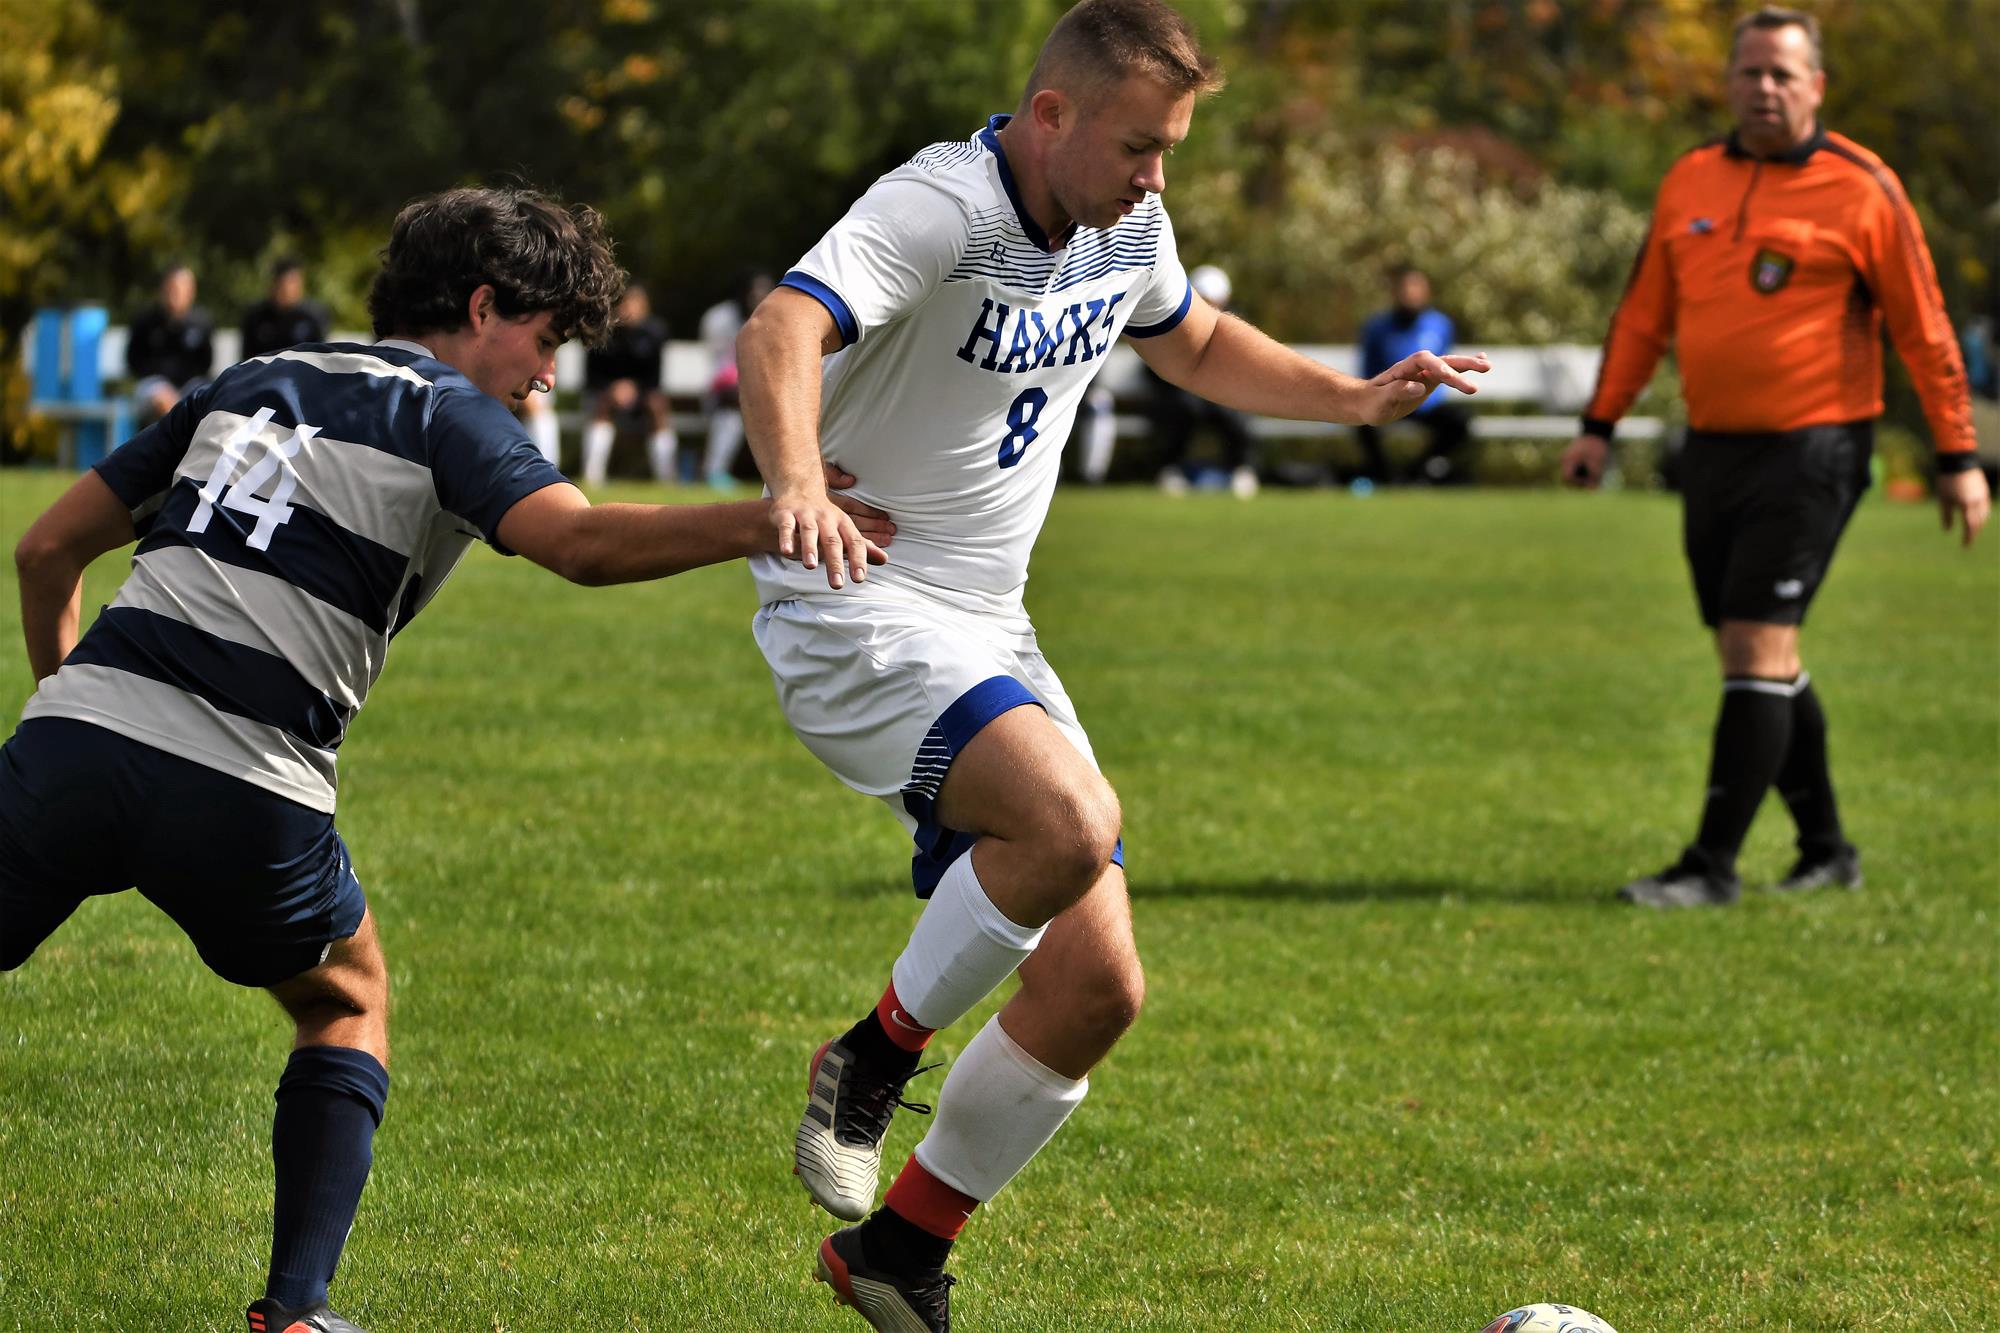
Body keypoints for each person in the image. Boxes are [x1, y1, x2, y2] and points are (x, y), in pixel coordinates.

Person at [2, 185, 890, 1333]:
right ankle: (296, 1313)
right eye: (544, 337)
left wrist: (70, 706)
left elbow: (45, 547)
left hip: (73, 740)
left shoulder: (251, 378)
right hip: (246, 788)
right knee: (346, 1000)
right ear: (481, 305)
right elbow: (572, 542)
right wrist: (768, 514)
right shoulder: (447, 416)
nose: (549, 374)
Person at [734, 1, 1486, 1326]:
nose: (1156, 177)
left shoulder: (1125, 224)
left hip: (986, 624)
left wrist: (1351, 398)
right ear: (1051, 116)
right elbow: (782, 328)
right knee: (1076, 824)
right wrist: (795, 481)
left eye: (1173, 150)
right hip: (857, 595)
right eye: (1140, 146)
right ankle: (868, 1055)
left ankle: (895, 1253)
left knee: (1094, 989)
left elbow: (1189, 339)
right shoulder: (940, 204)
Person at [1560, 6, 1990, 909]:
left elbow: (1926, 329)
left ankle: (1710, 866)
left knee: (1756, 643)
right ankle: (1828, 848)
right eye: (1750, 72)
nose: (1764, 88)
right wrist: (1599, 425)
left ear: (1816, 86)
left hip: (1816, 449)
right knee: (1756, 652)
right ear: (1728, 82)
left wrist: (1957, 453)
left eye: (1783, 74)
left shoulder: (1865, 187)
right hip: (1713, 450)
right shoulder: (1689, 180)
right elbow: (1645, 315)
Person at [1150, 262, 1258, 497]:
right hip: (1182, 395)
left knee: (1234, 411)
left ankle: (1242, 469)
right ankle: (1171, 470)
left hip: (1219, 396)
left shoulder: (1237, 325)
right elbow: (1154, 364)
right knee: (1185, 410)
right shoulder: (1168, 318)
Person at [1355, 265, 1471, 484]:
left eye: (1417, 287)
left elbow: (1445, 364)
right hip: (1390, 398)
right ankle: (1384, 476)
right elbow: (1369, 371)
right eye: (1406, 287)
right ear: (1396, 292)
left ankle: (1417, 472)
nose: (1411, 293)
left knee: (1459, 421)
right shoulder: (1377, 328)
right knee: (1360, 420)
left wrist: (1425, 394)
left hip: (1426, 403)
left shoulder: (1440, 325)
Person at [580, 280, 676, 486]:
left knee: (657, 405)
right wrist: (613, 389)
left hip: (643, 395)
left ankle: (666, 476)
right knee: (601, 405)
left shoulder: (655, 333)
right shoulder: (601, 331)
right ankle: (593, 474)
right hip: (607, 394)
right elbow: (592, 376)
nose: (630, 309)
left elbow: (655, 378)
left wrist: (635, 389)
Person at [698, 269, 775, 488]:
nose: (759, 296)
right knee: (735, 403)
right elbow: (718, 364)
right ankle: (714, 471)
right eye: (754, 291)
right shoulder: (719, 318)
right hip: (723, 391)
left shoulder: (776, 317)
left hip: (761, 389)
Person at [127, 263, 215, 425]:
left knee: (207, 398)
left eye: (181, 289)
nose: (175, 294)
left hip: (190, 384)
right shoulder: (145, 322)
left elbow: (206, 363)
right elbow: (134, 361)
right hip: (154, 384)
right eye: (171, 289)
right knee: (163, 399)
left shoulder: (202, 322)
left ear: (191, 292)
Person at [240, 257, 332, 360]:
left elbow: (320, 358)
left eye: (293, 281)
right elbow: (247, 361)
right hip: (265, 373)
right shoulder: (255, 316)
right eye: (282, 283)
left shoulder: (314, 315)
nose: (287, 288)